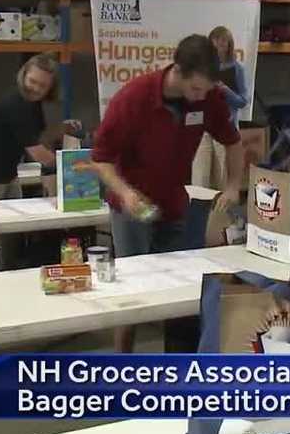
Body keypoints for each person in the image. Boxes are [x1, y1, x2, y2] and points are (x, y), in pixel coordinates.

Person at [90, 34, 244, 353]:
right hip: (131, 206)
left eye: (206, 90)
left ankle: (177, 365)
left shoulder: (207, 100)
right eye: (195, 89)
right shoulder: (133, 98)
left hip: (174, 203)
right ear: (177, 70)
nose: (200, 96)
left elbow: (233, 142)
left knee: (179, 287)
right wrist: (126, 193)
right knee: (131, 288)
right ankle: (123, 362)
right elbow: (100, 159)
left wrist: (232, 185)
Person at [0, 54, 79, 275]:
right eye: (32, 81)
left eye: (42, 86)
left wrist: (61, 129)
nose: (34, 88)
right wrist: (74, 168)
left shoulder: (32, 105)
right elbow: (38, 153)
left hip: (6, 171)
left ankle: (5, 281)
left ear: (50, 88)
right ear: (23, 75)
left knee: (11, 233)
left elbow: (37, 138)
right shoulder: (17, 103)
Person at [192, 26, 247, 189]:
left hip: (225, 127)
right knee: (199, 177)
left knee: (221, 178)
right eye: (216, 40)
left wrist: (226, 90)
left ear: (230, 45)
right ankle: (197, 211)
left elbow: (242, 101)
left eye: (224, 41)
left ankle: (218, 214)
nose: (219, 44)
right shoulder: (201, 67)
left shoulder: (237, 69)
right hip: (202, 128)